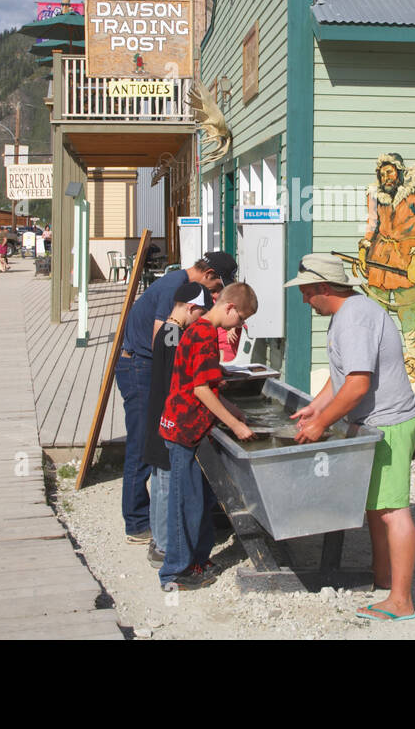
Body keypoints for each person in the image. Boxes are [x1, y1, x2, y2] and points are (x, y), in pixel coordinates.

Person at [286, 253, 415, 621]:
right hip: (377, 422)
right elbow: (342, 375)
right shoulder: (347, 315)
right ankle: (384, 579)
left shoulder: (355, 319)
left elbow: (358, 385)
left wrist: (321, 424)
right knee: (377, 508)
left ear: (324, 288)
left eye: (306, 292)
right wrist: (317, 407)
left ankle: (402, 600)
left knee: (393, 511)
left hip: (389, 422)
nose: (303, 300)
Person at [117, 250, 237, 544]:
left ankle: (171, 521)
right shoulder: (176, 289)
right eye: (217, 287)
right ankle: (136, 522)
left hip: (145, 364)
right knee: (145, 444)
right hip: (140, 366)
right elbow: (166, 339)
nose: (216, 295)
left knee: (154, 448)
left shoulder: (180, 283)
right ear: (208, 275)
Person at [157, 282, 258, 590]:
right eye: (241, 319)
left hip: (195, 427)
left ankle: (198, 558)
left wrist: (231, 409)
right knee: (185, 501)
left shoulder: (202, 331)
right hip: (183, 427)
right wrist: (236, 426)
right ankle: (176, 570)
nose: (240, 325)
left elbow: (204, 383)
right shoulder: (202, 335)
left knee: (200, 498)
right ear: (229, 308)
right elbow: (200, 390)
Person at [356, 153, 415, 382]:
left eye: (390, 171)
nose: (386, 176)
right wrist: (365, 248)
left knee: (409, 312)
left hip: (407, 263)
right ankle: (376, 361)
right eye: (382, 173)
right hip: (379, 262)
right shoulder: (376, 197)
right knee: (375, 312)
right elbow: (373, 225)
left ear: (399, 172)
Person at [142, 281, 214, 570]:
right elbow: (178, 378)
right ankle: (163, 544)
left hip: (158, 413)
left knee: (161, 480)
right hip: (166, 417)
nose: (201, 319)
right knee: (165, 483)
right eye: (201, 313)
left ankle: (160, 540)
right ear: (191, 307)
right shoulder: (174, 334)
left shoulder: (167, 331)